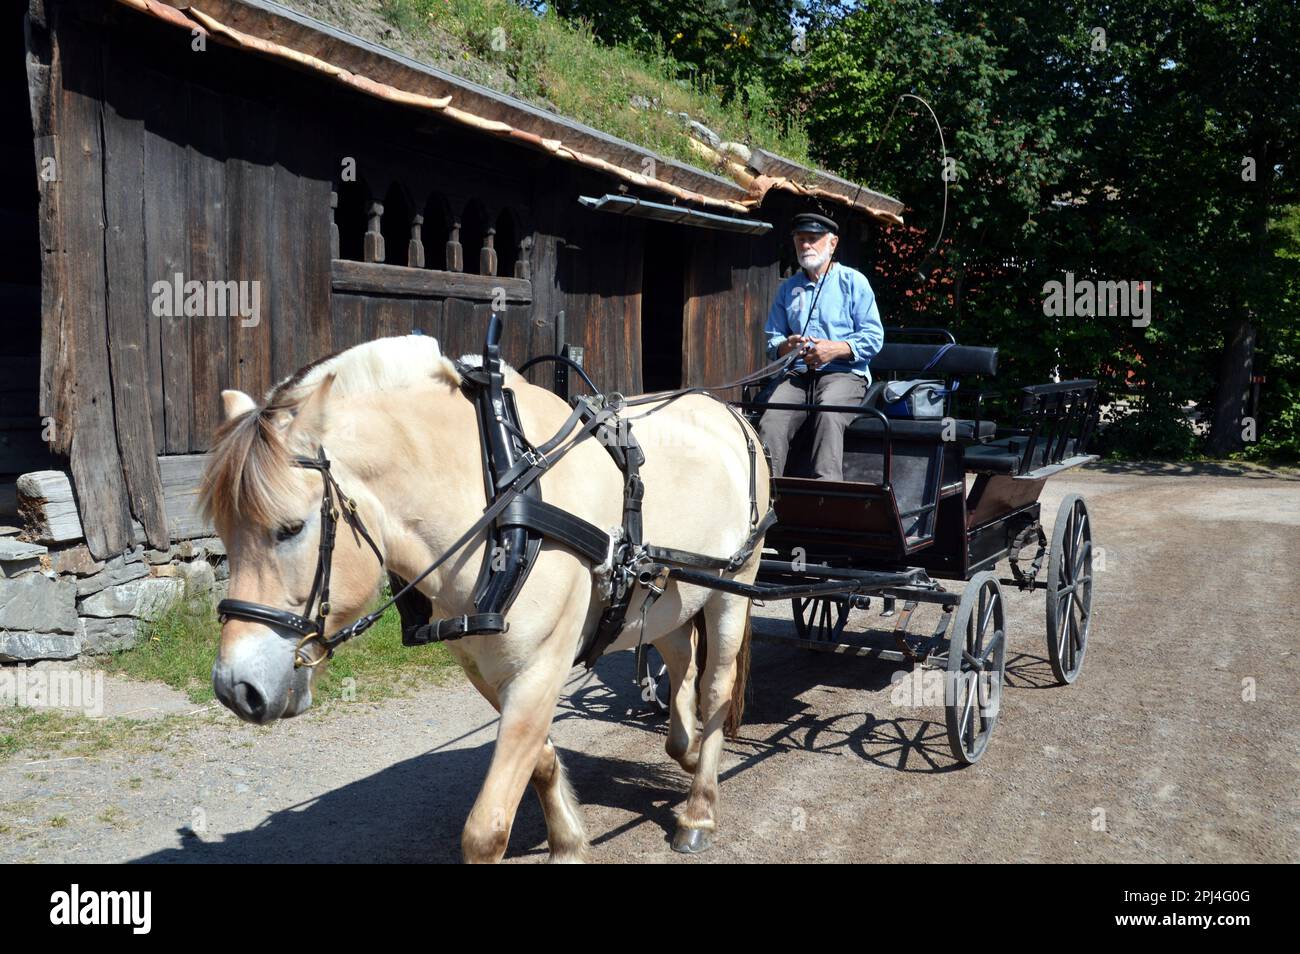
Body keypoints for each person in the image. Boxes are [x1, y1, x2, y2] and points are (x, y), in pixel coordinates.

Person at [759, 212, 885, 481]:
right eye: (800, 240)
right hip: (798, 375)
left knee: (828, 414)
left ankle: (827, 494)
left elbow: (874, 337)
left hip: (844, 373)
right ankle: (768, 498)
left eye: (813, 239)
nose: (805, 245)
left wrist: (835, 349)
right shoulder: (788, 289)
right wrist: (785, 346)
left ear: (833, 243)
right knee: (771, 420)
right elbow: (773, 339)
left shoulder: (853, 282)